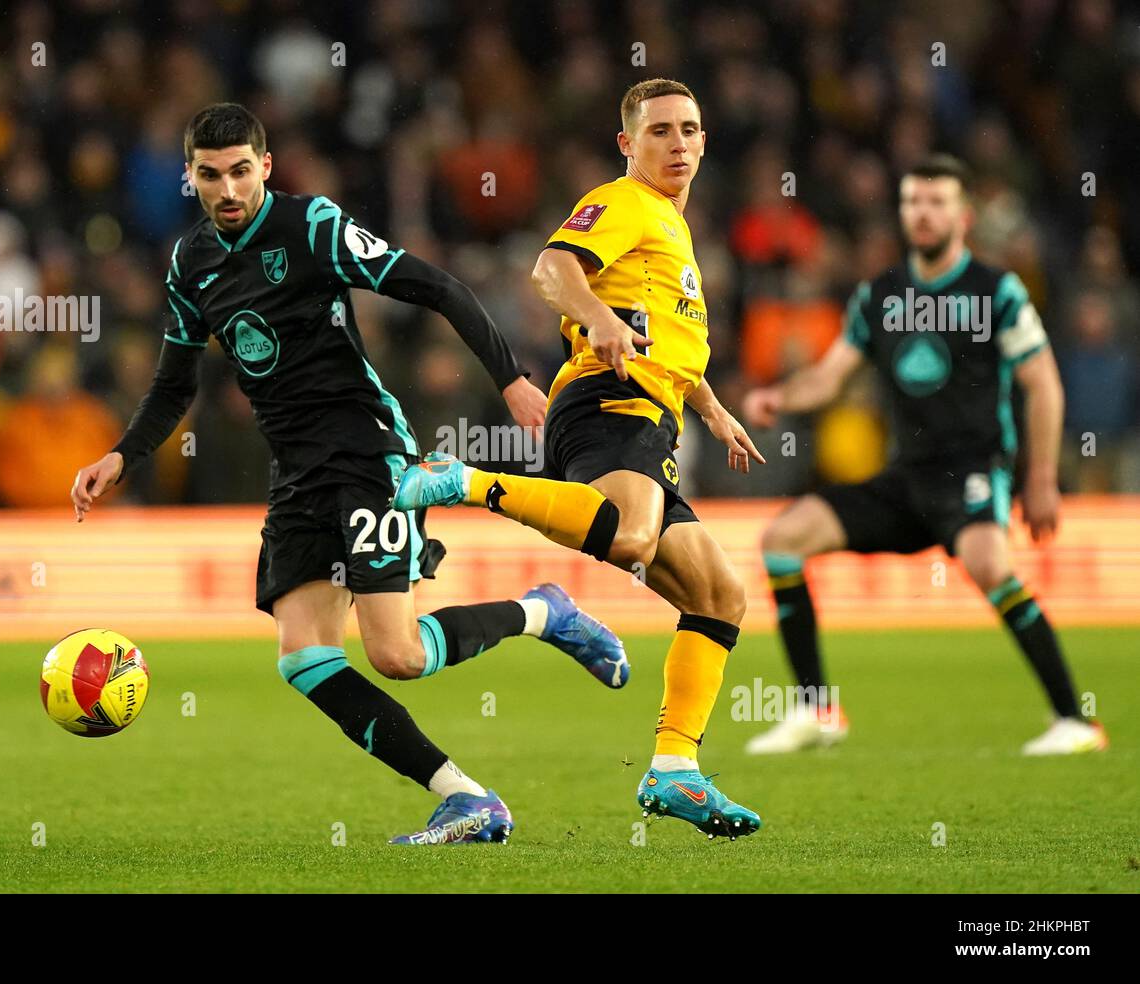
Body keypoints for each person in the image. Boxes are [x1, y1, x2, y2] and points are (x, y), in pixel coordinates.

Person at [70, 103, 629, 846]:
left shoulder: (314, 228)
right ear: (191, 179)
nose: (228, 189)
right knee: (303, 659)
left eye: (241, 170)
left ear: (265, 167)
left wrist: (511, 380)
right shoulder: (190, 264)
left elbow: (436, 286)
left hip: (368, 454)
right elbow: (176, 385)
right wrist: (122, 455)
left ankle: (543, 613)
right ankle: (466, 798)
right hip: (297, 471)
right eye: (210, 175)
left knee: (395, 655)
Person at [394, 79, 766, 841]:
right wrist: (594, 318)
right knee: (630, 536)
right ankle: (466, 479)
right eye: (659, 131)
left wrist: (716, 413)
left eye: (689, 129)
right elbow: (552, 268)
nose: (678, 143)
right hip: (606, 403)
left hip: (652, 416)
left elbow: (671, 350)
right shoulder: (625, 203)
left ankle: (674, 772)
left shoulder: (671, 228)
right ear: (628, 144)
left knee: (721, 596)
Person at [741, 153, 1106, 757]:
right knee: (783, 539)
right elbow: (831, 377)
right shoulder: (879, 295)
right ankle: (817, 711)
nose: (922, 213)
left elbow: (1044, 382)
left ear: (963, 216)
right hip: (906, 479)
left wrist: (1040, 478)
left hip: (975, 470)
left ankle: (1075, 720)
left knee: (989, 566)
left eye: (936, 202)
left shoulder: (997, 291)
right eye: (912, 201)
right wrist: (778, 397)